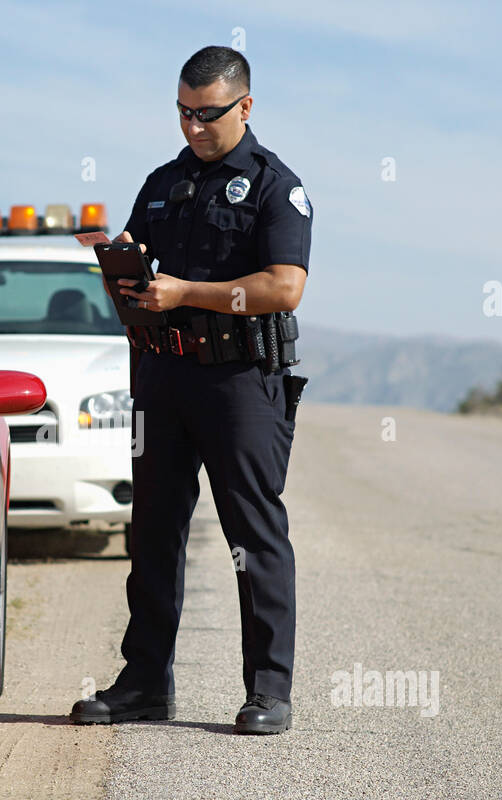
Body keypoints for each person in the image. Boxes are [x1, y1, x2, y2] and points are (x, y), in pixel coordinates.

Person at [69, 46, 312, 735]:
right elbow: (139, 277)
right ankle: (144, 682)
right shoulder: (160, 183)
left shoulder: (274, 186)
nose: (193, 127)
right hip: (163, 376)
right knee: (152, 533)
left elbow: (283, 285)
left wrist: (187, 291)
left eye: (207, 114)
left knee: (253, 534)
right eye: (182, 112)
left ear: (245, 106)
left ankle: (268, 688)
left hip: (239, 382)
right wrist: (120, 269)